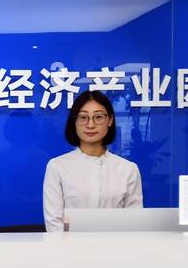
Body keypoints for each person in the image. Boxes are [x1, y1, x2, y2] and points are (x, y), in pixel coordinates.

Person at [42, 89, 143, 232]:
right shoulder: (57, 167)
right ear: (74, 121)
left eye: (98, 117)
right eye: (83, 117)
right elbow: (54, 225)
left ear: (110, 120)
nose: (90, 125)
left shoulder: (128, 169)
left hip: (117, 251)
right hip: (69, 251)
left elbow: (135, 224)